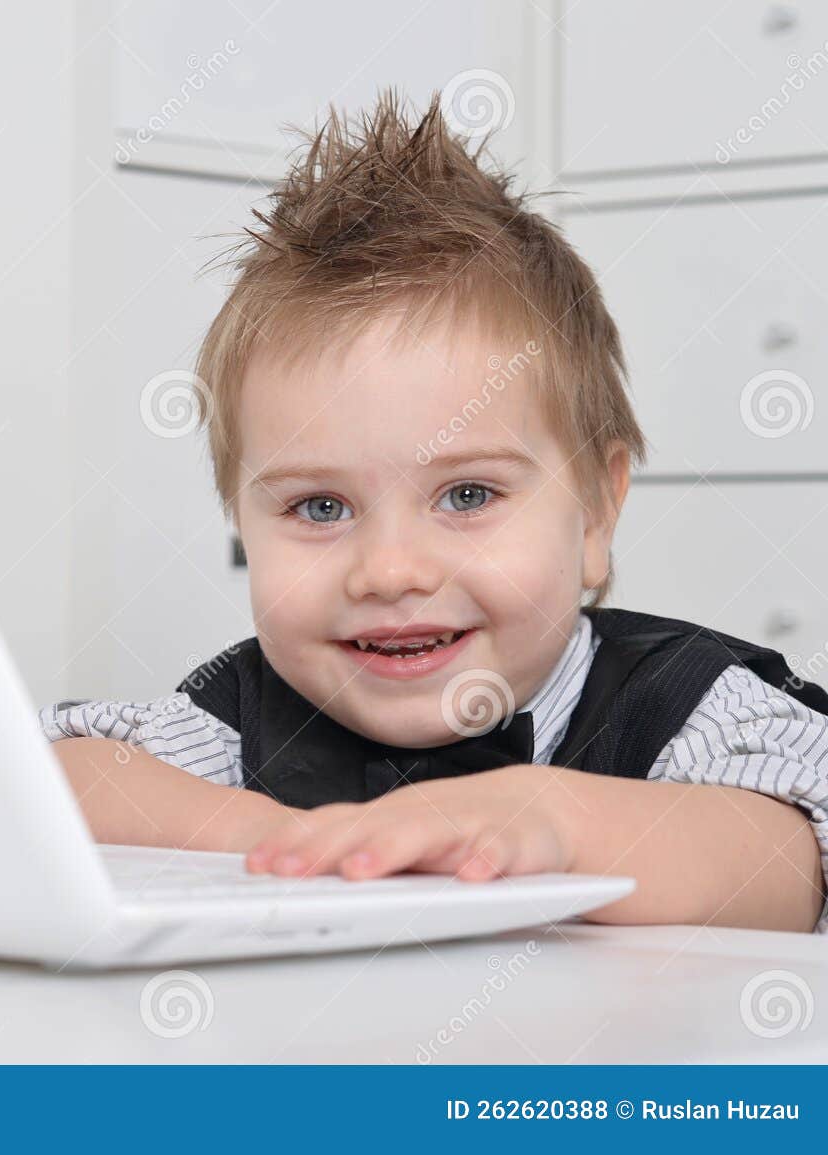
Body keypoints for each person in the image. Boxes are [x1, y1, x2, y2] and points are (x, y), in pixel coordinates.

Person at [42, 92, 828, 933]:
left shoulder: (686, 706)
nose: (390, 570)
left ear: (595, 515)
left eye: (467, 495)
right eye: (320, 505)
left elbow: (783, 862)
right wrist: (282, 839)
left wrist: (553, 818)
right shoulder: (242, 718)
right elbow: (52, 780)